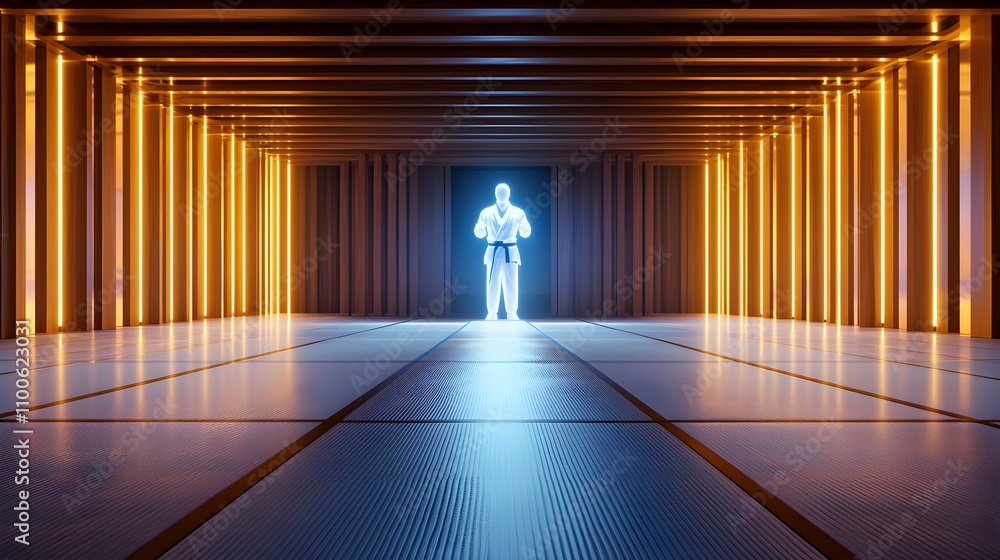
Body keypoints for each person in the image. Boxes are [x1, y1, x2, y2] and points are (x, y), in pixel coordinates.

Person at [474, 183, 531, 320]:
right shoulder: (486, 212)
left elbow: (526, 231)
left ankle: (512, 312)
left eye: (504, 192)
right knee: (492, 283)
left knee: (511, 282)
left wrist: (522, 230)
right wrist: (481, 230)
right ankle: (491, 312)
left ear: (509, 194)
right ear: (495, 194)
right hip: (493, 250)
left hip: (510, 251)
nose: (502, 195)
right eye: (500, 192)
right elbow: (478, 232)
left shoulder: (518, 213)